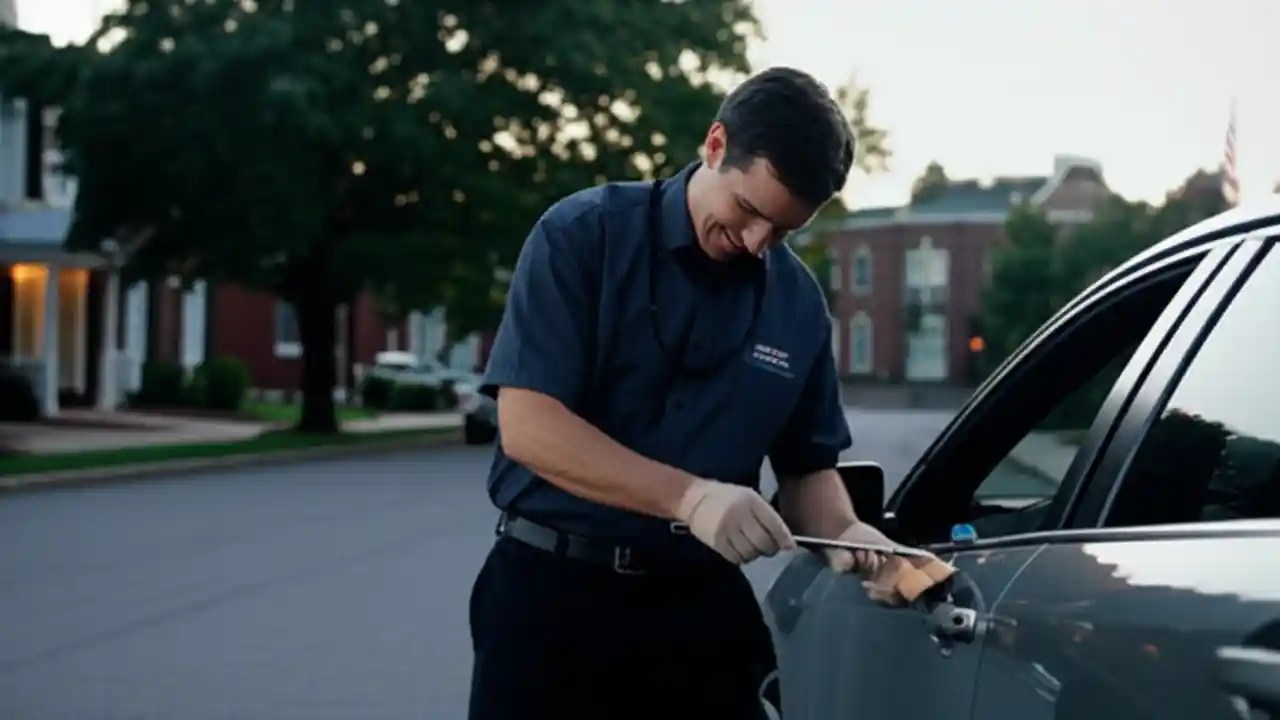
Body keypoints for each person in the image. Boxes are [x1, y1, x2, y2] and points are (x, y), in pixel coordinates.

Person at [467, 66, 901, 720]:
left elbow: (807, 468)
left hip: (699, 614)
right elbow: (529, 427)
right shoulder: (582, 236)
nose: (758, 243)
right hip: (549, 600)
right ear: (716, 145)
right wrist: (690, 497)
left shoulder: (798, 307)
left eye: (783, 231)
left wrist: (847, 533)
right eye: (750, 211)